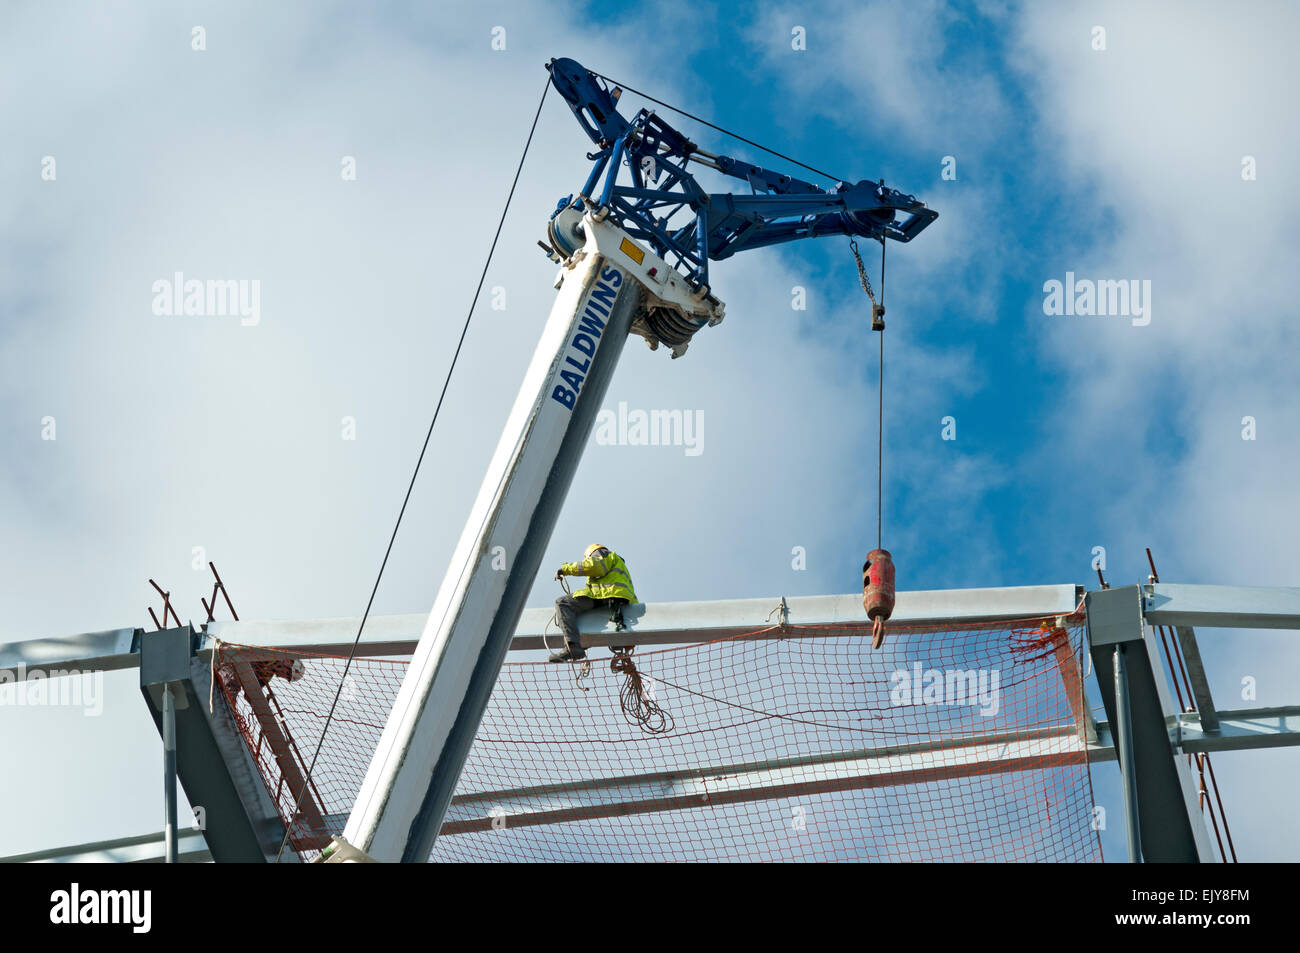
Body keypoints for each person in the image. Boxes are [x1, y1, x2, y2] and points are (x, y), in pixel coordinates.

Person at [549, 543, 637, 662]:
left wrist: (565, 569)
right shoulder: (619, 567)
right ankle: (582, 643)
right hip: (617, 599)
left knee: (563, 603)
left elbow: (594, 566)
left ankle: (572, 647)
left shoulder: (603, 554)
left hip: (604, 595)